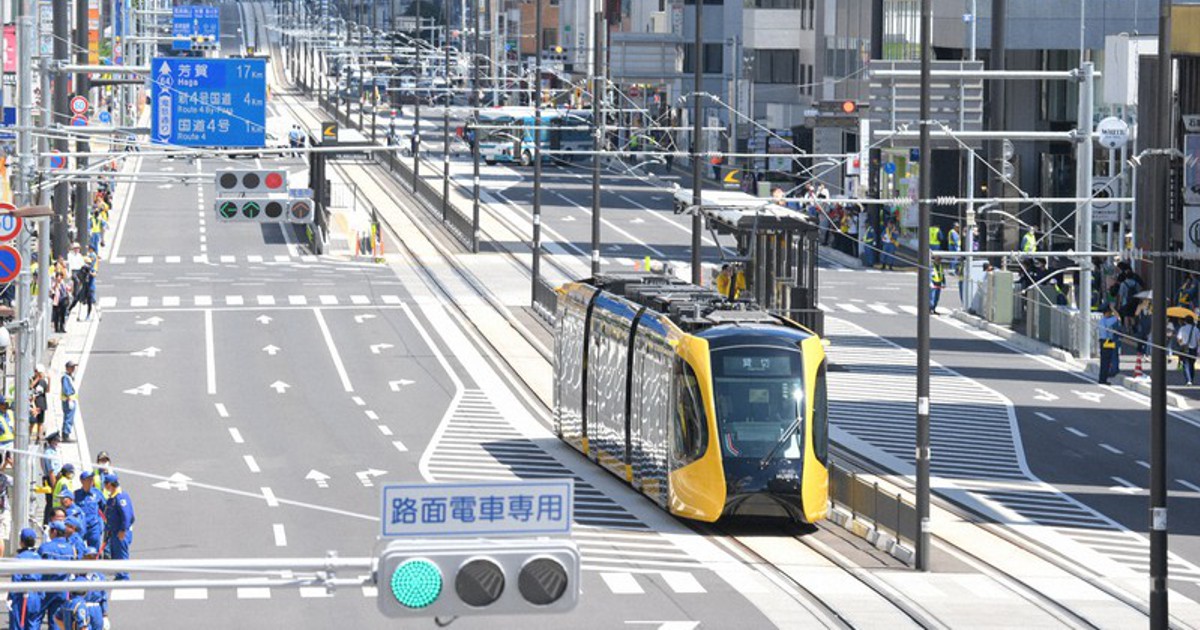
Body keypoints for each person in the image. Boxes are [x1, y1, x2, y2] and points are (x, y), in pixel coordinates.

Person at [38, 520, 76, 623]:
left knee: (36, 618)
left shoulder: (45, 547)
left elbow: (36, 567)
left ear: (54, 532)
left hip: (45, 589)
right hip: (62, 589)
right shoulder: (70, 549)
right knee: (56, 620)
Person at [10, 528, 43, 630]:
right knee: (33, 624)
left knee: (18, 624)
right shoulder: (38, 557)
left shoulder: (20, 558)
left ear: (21, 542)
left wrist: (11, 597)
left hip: (22, 595)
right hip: (36, 594)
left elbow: (16, 579)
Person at [103, 474, 134, 580]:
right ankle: (119, 575)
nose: (104, 486)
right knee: (116, 555)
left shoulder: (120, 497)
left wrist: (123, 530)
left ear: (110, 484)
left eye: (106, 483)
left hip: (120, 533)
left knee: (121, 555)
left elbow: (127, 516)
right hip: (114, 532)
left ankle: (124, 577)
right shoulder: (113, 497)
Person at [75, 471, 105, 552]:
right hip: (81, 527)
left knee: (94, 551)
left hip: (94, 527)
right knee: (79, 550)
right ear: (82, 481)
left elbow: (105, 509)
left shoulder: (97, 493)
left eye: (92, 479)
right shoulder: (76, 495)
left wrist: (103, 524)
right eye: (88, 479)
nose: (91, 481)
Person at [81, 547, 108, 630]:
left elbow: (104, 596)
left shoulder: (99, 576)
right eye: (89, 557)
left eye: (94, 557)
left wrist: (105, 615)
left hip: (96, 609)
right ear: (83, 558)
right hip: (82, 609)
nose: (92, 559)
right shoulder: (77, 575)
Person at [39, 432, 62, 524]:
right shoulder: (49, 453)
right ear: (51, 441)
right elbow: (51, 471)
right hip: (51, 479)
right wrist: (54, 486)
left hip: (54, 478)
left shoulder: (52, 451)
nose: (57, 442)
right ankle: (47, 523)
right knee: (51, 502)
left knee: (52, 502)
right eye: (56, 440)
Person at [1098, 305, 1122, 385]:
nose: (1111, 314)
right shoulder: (1107, 321)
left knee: (1104, 361)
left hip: (1102, 340)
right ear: (1107, 313)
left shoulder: (1101, 320)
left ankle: (1102, 378)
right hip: (1107, 341)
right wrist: (1113, 308)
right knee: (1107, 360)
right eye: (1110, 312)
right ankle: (1103, 379)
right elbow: (1118, 317)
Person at [1177, 316, 1200, 386]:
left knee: (1185, 364)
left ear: (1185, 321)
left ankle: (1188, 380)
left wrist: (1181, 345)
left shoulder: (1182, 328)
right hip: (1193, 349)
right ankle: (1191, 379)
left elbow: (1179, 338)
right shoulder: (1196, 329)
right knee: (1191, 364)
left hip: (1185, 348)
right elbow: (1198, 340)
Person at [61, 360, 79, 442]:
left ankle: (66, 433)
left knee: (70, 417)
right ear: (67, 368)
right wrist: (69, 399)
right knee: (68, 417)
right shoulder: (65, 377)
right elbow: (66, 389)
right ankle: (65, 434)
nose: (73, 369)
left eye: (74, 367)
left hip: (72, 399)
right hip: (68, 400)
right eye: (71, 367)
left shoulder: (70, 376)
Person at [31, 364, 48, 443]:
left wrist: (49, 380)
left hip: (41, 403)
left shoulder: (43, 381)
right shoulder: (32, 379)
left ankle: (39, 437)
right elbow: (30, 387)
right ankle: (27, 437)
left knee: (40, 422)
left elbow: (47, 390)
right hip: (34, 403)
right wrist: (37, 378)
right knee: (32, 421)